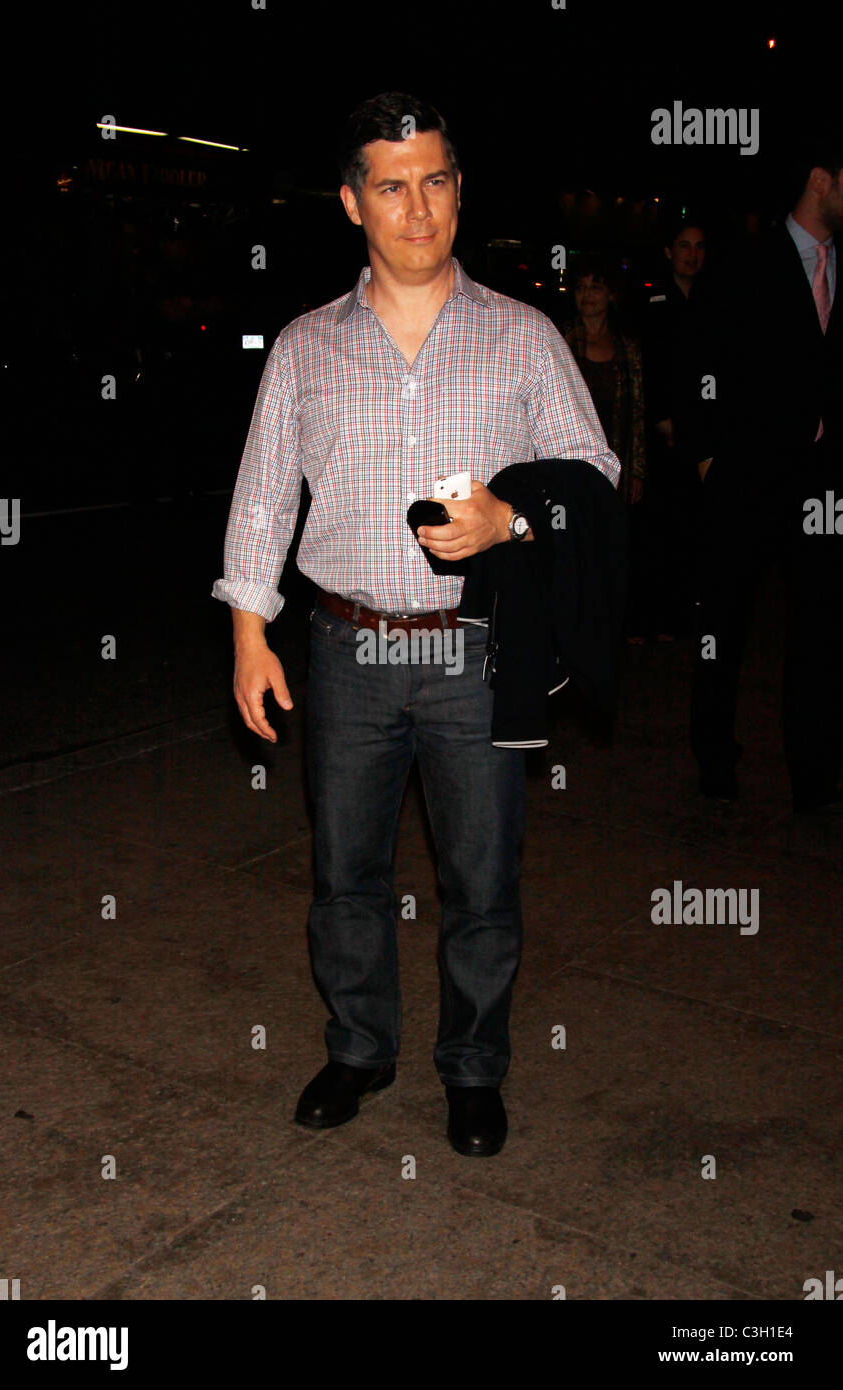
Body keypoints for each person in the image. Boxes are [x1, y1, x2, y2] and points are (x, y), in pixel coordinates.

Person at [212, 92, 620, 1157]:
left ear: (455, 191)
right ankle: (358, 1048)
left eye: (434, 179)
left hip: (472, 651)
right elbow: (263, 496)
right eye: (390, 185)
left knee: (480, 880)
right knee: (345, 872)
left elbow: (596, 471)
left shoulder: (522, 336)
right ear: (352, 202)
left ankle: (474, 1067)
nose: (416, 204)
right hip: (344, 649)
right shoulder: (304, 346)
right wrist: (250, 631)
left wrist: (512, 516)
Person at [683, 144, 842, 811]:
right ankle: (715, 760)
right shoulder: (748, 260)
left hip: (824, 484)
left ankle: (813, 772)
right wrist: (705, 453)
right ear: (821, 181)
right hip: (747, 474)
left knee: (819, 628)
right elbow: (702, 352)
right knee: (727, 619)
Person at [562, 257, 645, 638]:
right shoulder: (559, 341)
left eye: (596, 287)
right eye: (581, 287)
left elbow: (638, 413)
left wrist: (637, 470)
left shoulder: (627, 348)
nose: (588, 296)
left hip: (616, 461)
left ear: (610, 295)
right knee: (572, 550)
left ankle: (607, 627)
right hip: (571, 467)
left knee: (611, 551)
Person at [641, 220, 708, 640]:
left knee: (695, 525)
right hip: (660, 432)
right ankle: (654, 617)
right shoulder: (650, 299)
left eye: (700, 247)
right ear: (669, 251)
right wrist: (661, 416)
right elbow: (646, 364)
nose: (692, 254)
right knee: (657, 526)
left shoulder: (713, 299)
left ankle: (688, 613)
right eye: (684, 246)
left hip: (701, 430)